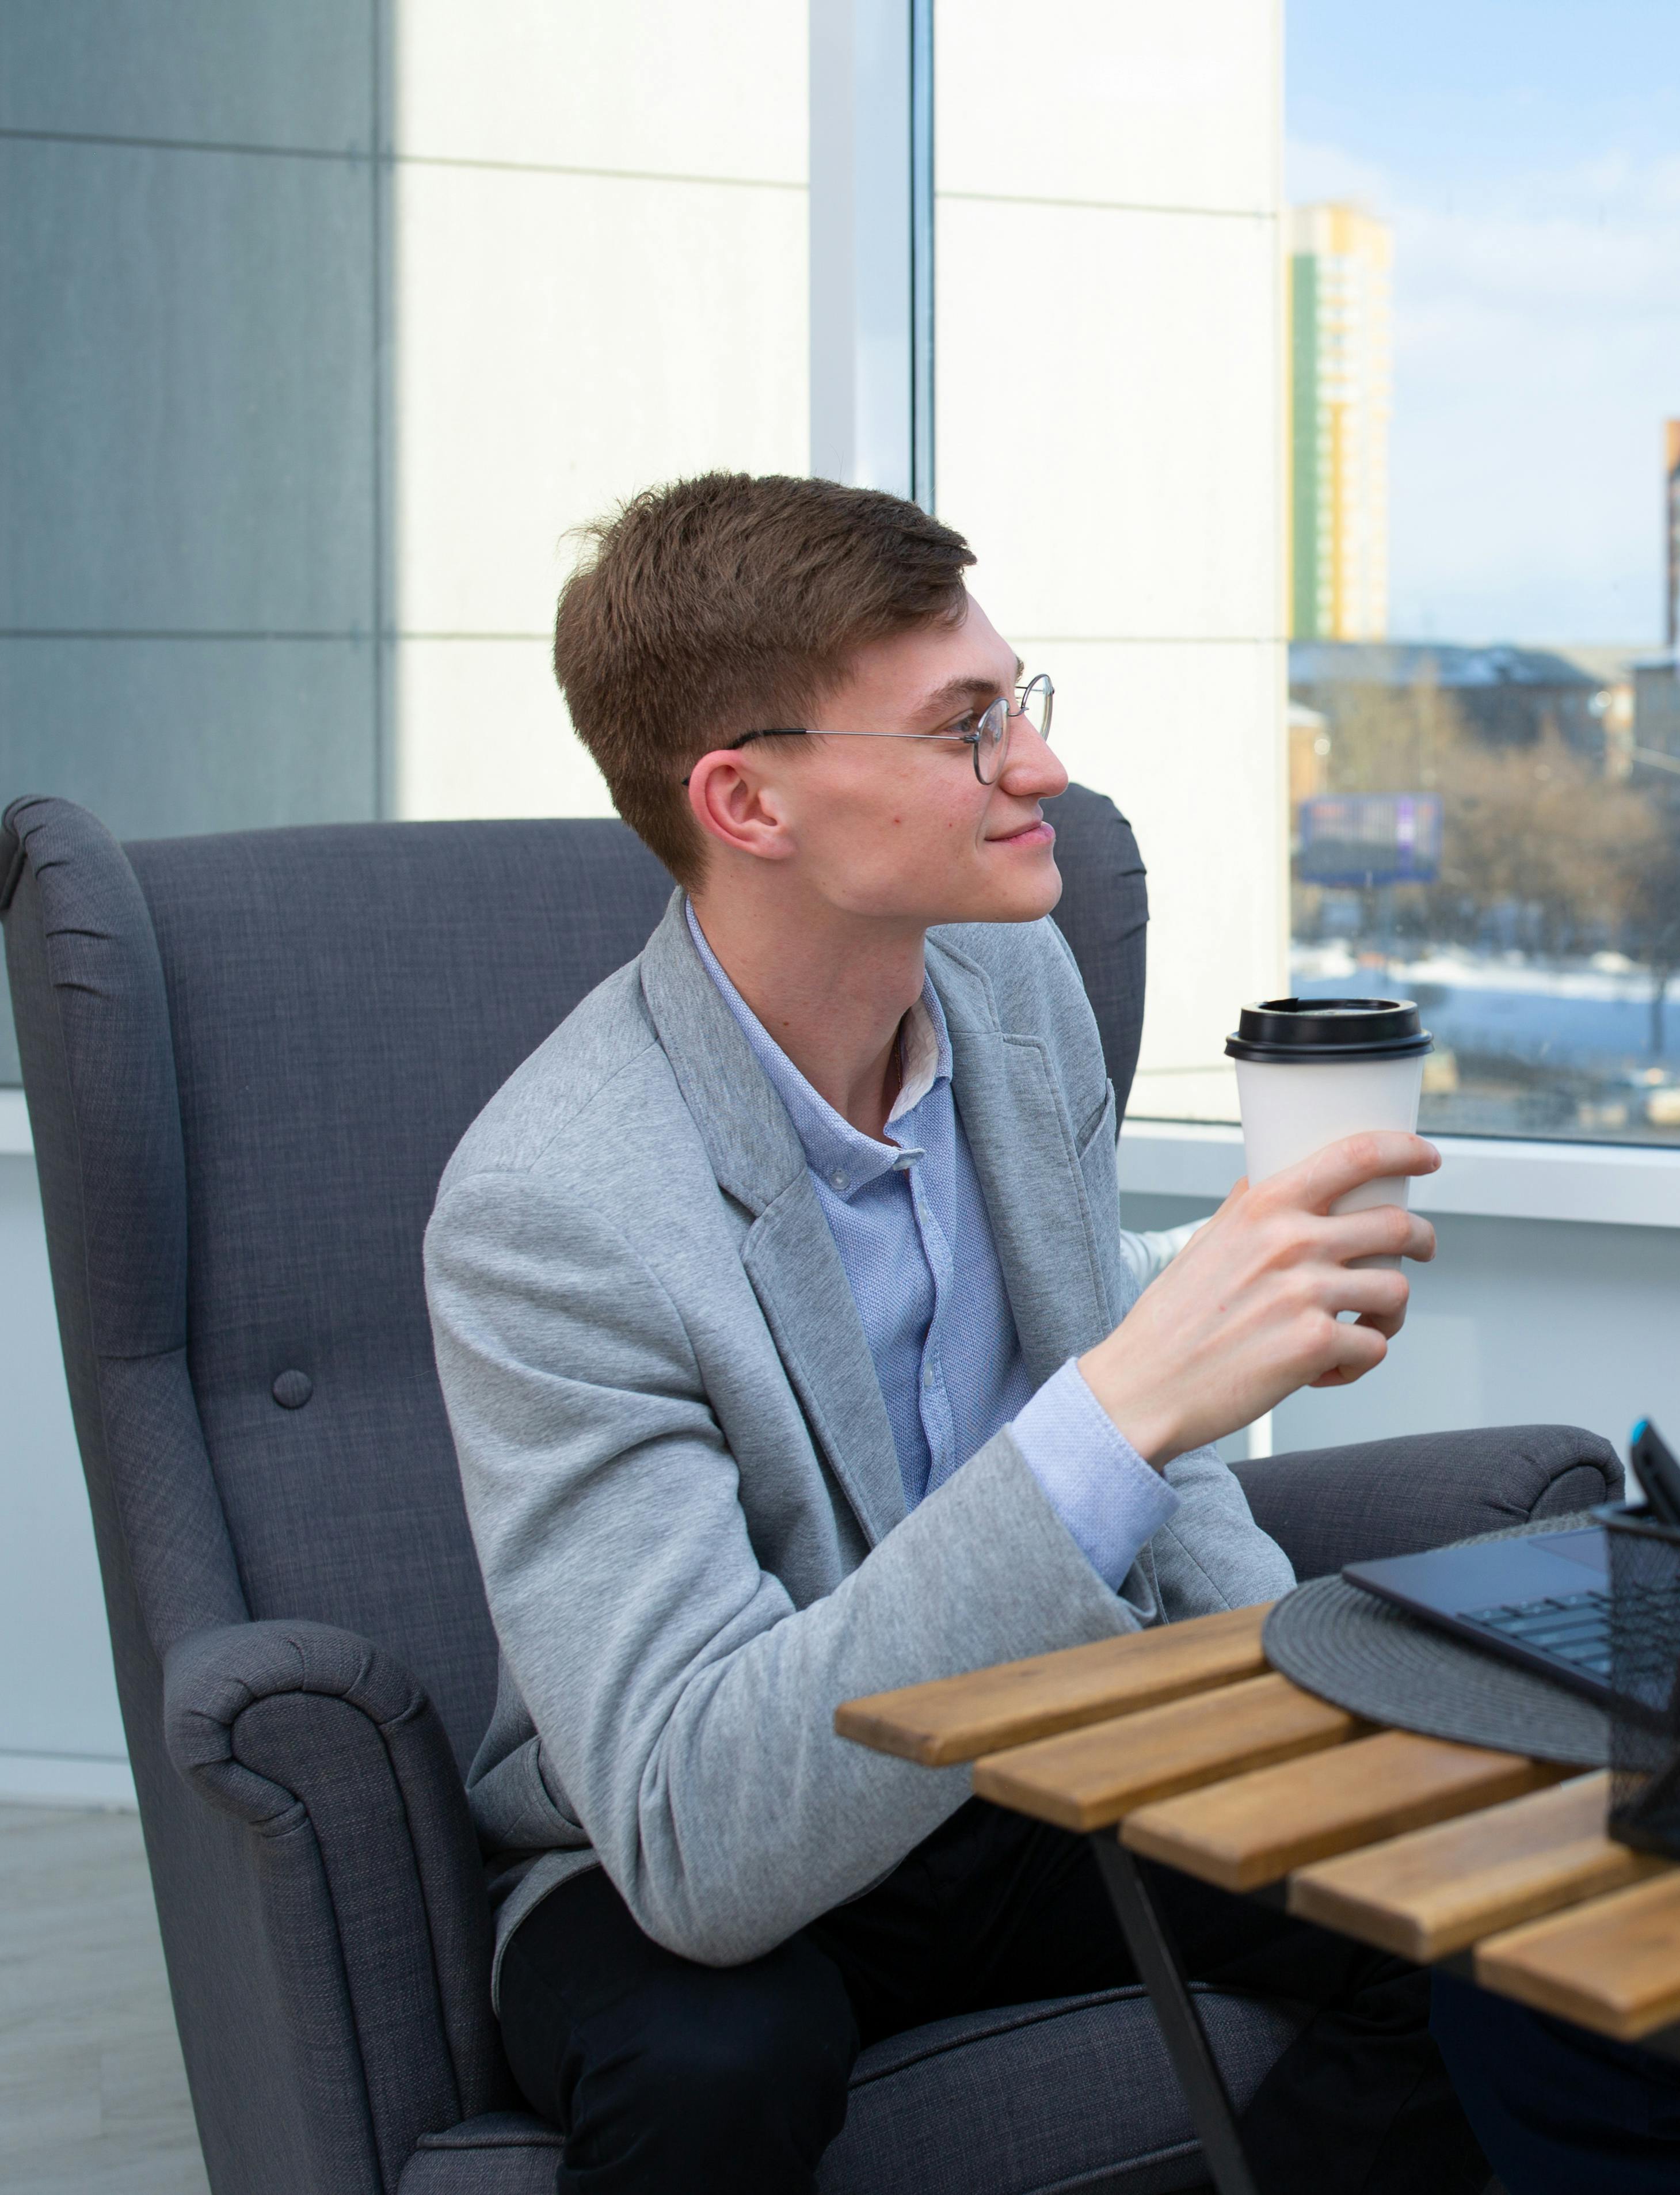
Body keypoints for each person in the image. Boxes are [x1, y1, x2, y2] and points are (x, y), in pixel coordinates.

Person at [424, 473, 1489, 2195]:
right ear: (748, 799)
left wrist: (1308, 1721)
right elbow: (700, 1830)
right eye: (966, 728)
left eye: (1021, 703)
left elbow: (1177, 1466)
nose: (1040, 766)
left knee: (1448, 1892)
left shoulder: (1013, 985)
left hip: (1030, 1766)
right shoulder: (555, 1207)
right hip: (702, 1855)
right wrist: (1124, 1404)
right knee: (714, 2064)